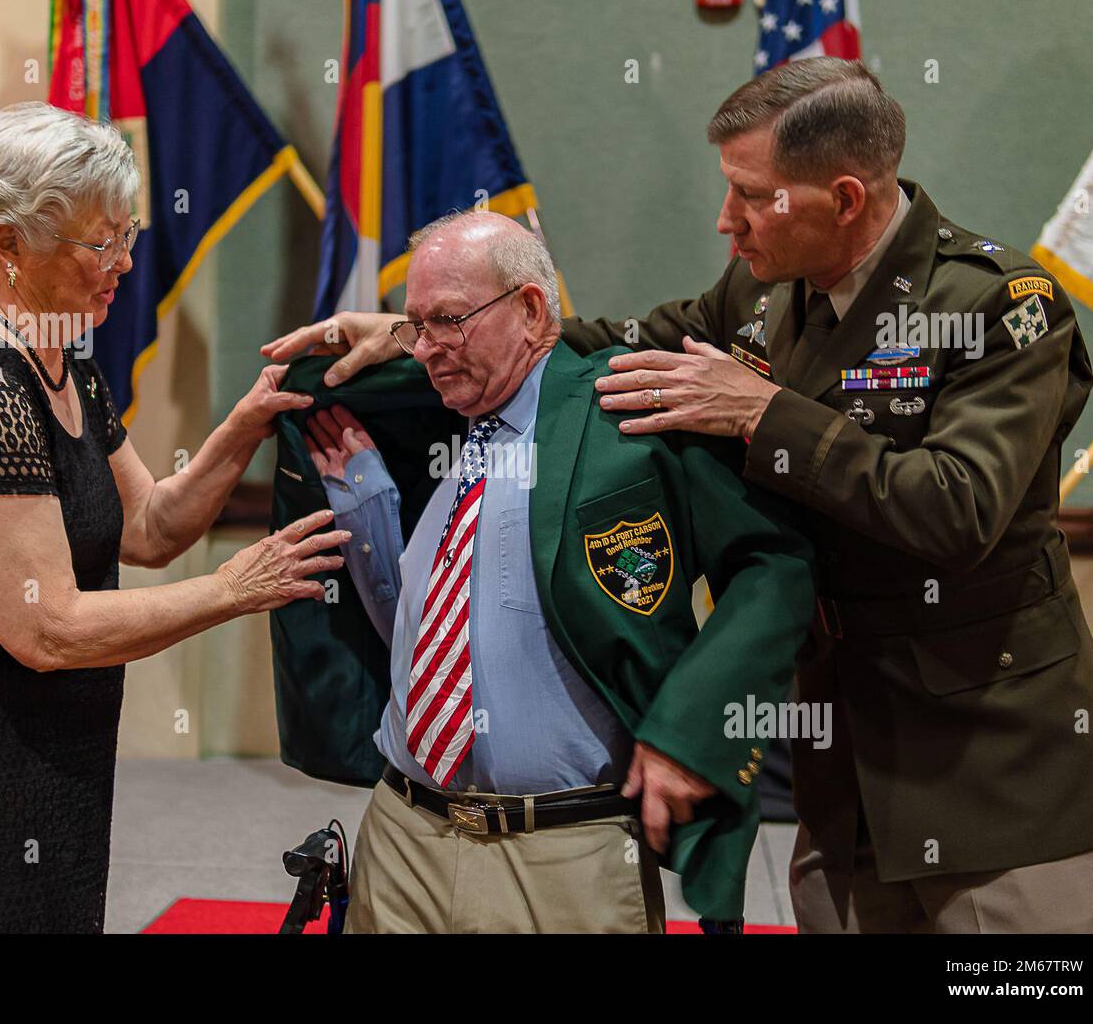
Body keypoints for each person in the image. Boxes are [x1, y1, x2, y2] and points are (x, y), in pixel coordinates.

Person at [263, 59, 1093, 933]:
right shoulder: (762, 293)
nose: (727, 222)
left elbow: (958, 508)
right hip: (847, 760)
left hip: (995, 766)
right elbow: (608, 347)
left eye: (752, 198)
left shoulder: (998, 307)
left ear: (842, 199)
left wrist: (766, 412)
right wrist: (418, 333)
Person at [0, 102, 348, 933]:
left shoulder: (59, 351)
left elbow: (146, 526)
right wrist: (231, 587)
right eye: (99, 243)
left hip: (38, 755)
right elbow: (48, 629)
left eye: (129, 234)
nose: (125, 264)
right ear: (8, 244)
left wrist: (242, 426)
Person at [288, 210, 814, 933]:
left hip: (567, 852)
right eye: (415, 326)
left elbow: (772, 563)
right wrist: (371, 507)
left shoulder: (624, 406)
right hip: (403, 833)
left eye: (449, 320)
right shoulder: (435, 431)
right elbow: (422, 638)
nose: (427, 350)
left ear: (531, 309)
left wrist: (697, 729)